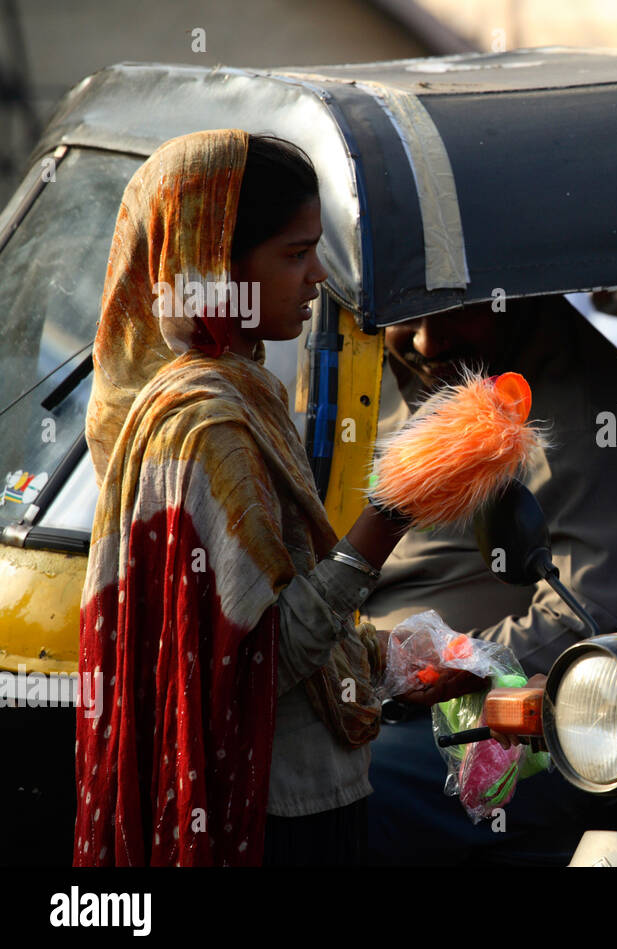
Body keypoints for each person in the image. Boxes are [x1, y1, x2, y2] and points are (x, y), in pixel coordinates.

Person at [75, 129, 447, 866]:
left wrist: (390, 657)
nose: (317, 276)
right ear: (217, 267)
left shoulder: (243, 393)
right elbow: (258, 663)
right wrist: (388, 517)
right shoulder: (207, 427)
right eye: (294, 253)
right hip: (275, 813)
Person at [359, 294, 617, 863]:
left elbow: (588, 622)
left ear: (511, 291)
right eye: (408, 311)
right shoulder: (386, 374)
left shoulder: (594, 417)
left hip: (533, 728)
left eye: (453, 310)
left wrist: (443, 662)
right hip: (377, 685)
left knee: (335, 794)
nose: (425, 342)